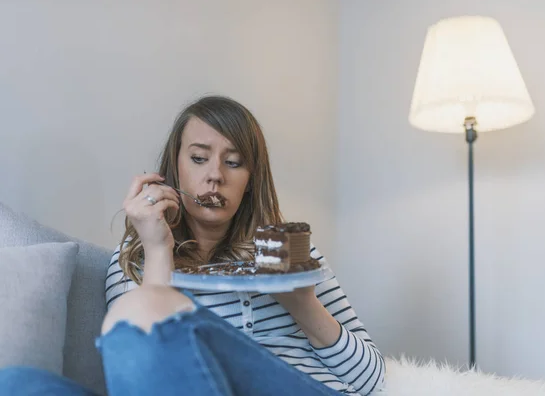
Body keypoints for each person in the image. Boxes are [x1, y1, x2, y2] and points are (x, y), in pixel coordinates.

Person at [0, 96, 385, 395]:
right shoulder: (134, 260)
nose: (214, 176)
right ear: (176, 166)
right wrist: (156, 249)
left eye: (234, 163)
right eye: (199, 158)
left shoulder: (289, 252)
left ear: (250, 180)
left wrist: (303, 304)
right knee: (17, 385)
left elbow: (375, 382)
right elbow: (137, 374)